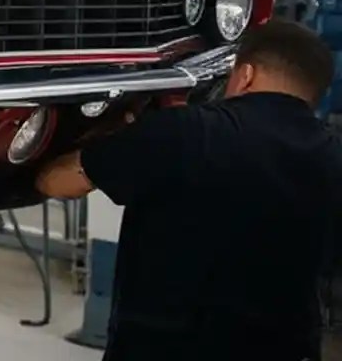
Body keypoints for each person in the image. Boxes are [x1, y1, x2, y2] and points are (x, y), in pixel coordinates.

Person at [35, 18, 342, 361]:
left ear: (246, 75)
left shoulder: (186, 132)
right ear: (316, 92)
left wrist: (104, 139)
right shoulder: (333, 158)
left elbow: (59, 182)